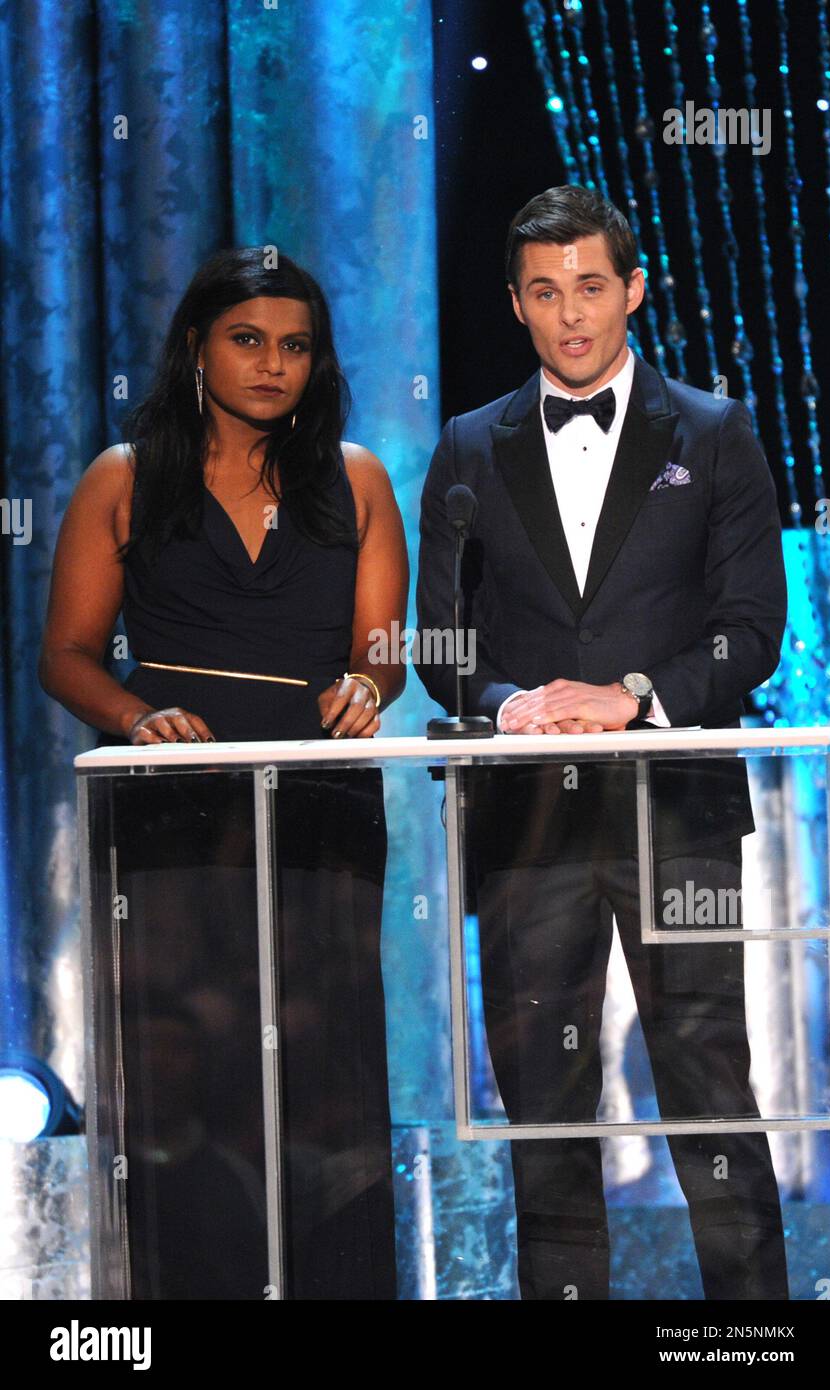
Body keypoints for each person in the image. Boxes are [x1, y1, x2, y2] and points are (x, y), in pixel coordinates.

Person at [415, 185, 789, 1300]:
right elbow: (440, 637)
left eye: (590, 285)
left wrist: (631, 695)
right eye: (544, 291)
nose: (571, 314)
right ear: (517, 306)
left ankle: (754, 1330)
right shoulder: (466, 445)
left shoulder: (715, 432)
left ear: (630, 289)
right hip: (526, 816)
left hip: (676, 806)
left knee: (710, 1079)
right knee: (542, 1096)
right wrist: (505, 700)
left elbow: (753, 631)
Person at [39, 247, 409, 1299]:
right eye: (247, 340)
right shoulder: (124, 475)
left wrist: (371, 689)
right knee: (185, 1069)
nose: (272, 365)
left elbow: (384, 648)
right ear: (198, 349)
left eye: (294, 346)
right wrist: (135, 715)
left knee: (324, 1067)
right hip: (171, 809)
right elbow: (63, 652)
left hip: (320, 803)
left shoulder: (359, 476)